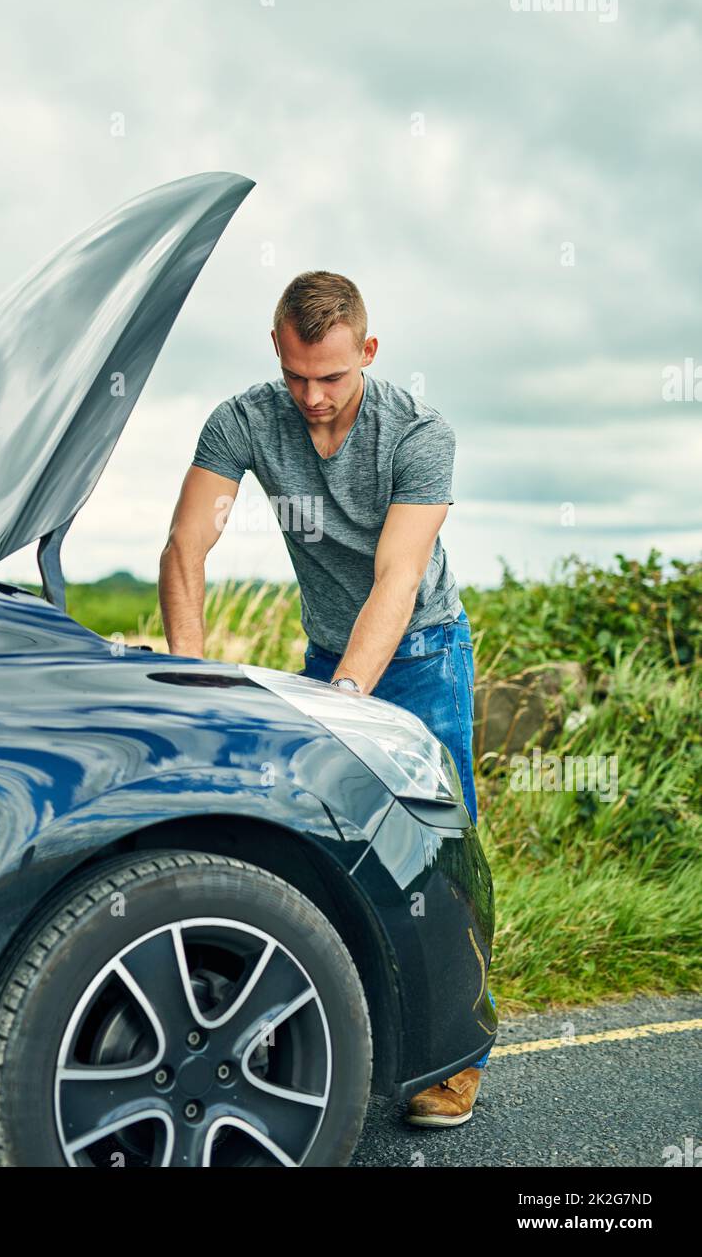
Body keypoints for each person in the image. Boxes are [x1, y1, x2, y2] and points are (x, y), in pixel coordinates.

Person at [159, 270, 496, 1126]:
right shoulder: (241, 419)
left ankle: (451, 1059)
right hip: (323, 653)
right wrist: (193, 677)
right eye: (297, 375)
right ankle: (329, 1028)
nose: (312, 397)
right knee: (316, 849)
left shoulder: (418, 433)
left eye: (332, 377)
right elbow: (186, 546)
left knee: (431, 857)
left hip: (418, 652)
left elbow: (397, 576)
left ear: (368, 354)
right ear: (277, 349)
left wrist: (348, 697)